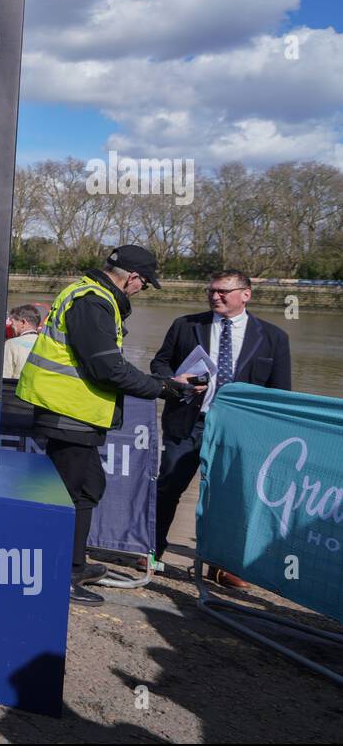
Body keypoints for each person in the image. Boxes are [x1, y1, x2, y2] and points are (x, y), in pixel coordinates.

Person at [15, 246, 199, 605]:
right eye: (144, 284)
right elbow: (108, 368)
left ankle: (73, 565)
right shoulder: (93, 301)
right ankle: (53, 577)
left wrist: (168, 384)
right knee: (65, 496)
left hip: (76, 413)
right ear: (132, 276)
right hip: (66, 413)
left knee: (86, 489)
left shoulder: (90, 294)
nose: (140, 290)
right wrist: (164, 388)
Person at [149, 270, 291, 586]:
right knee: (169, 487)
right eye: (211, 290)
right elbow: (159, 364)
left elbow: (280, 393)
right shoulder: (186, 325)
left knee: (230, 499)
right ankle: (152, 552)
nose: (215, 296)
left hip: (239, 433)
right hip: (187, 423)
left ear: (246, 294)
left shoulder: (273, 337)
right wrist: (175, 381)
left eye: (223, 291)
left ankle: (221, 565)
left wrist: (269, 438)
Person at [2, 303, 42, 378]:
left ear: (23, 322)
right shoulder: (47, 343)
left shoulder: (10, 344)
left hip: (18, 388)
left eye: (12, 322)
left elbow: (5, 377)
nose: (11, 326)